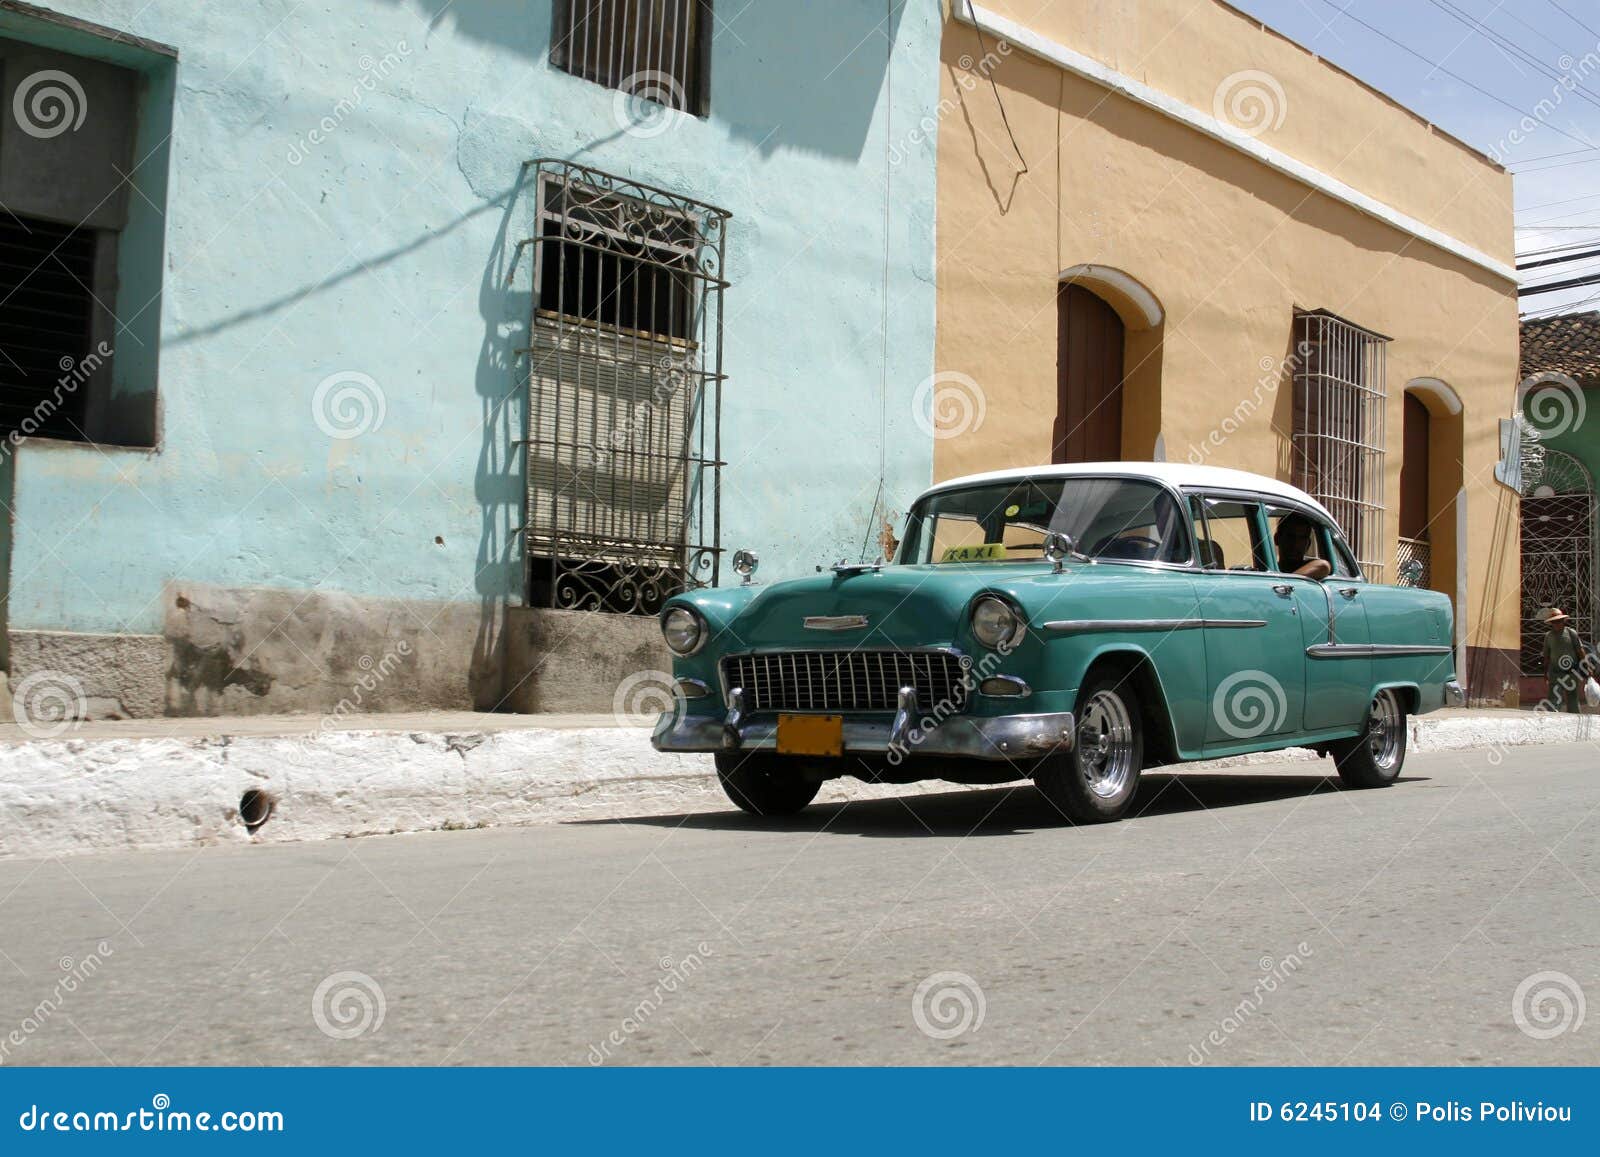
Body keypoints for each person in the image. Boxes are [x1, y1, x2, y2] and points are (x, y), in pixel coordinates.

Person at [1539, 607, 1588, 714]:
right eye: (1554, 622)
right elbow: (1547, 656)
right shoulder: (1548, 636)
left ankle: (1574, 719)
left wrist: (1586, 666)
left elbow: (1580, 650)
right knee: (1554, 699)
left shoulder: (1571, 633)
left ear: (1563, 621)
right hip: (1555, 672)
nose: (1557, 624)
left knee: (1572, 700)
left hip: (1571, 672)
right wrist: (1545, 672)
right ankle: (1552, 721)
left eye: (1559, 621)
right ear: (1551, 623)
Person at [1272, 513, 1332, 580]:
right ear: (1277, 539)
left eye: (1302, 538)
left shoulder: (1314, 569)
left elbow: (1323, 566)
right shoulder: (1268, 569)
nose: (1296, 544)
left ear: (1308, 544)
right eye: (1291, 537)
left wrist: (1285, 583)